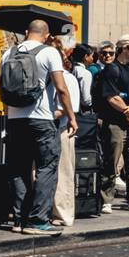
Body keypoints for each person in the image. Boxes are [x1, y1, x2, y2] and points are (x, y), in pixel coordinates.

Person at [4, 19, 77, 234]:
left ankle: (19, 219)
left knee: (19, 168)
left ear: (27, 32)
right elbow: (61, 88)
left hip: (15, 119)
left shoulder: (9, 53)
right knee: (47, 167)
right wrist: (71, 117)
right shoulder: (49, 52)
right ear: (46, 35)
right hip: (41, 119)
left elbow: (2, 83)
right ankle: (37, 221)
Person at [95, 34, 129, 213]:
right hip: (116, 122)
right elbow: (111, 98)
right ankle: (106, 199)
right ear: (125, 49)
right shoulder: (111, 70)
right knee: (111, 161)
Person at [50, 39, 81, 227]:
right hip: (49, 127)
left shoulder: (68, 78)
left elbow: (71, 107)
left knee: (63, 171)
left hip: (61, 127)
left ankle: (62, 213)